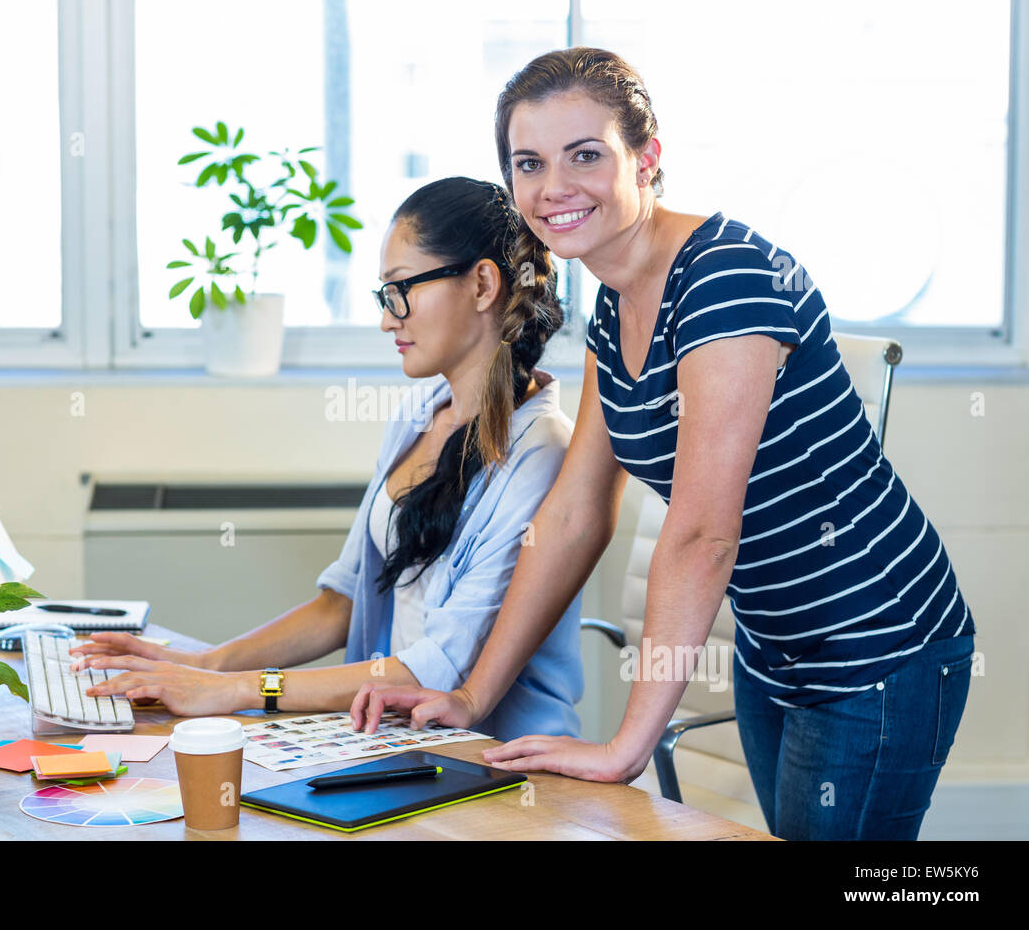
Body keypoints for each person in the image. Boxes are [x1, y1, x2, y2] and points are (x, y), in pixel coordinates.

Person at [350, 48, 976, 840]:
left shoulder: (725, 279)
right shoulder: (613, 307)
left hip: (880, 644)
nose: (553, 188)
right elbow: (576, 512)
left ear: (646, 158)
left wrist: (625, 750)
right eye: (529, 163)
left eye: (586, 155)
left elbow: (704, 532)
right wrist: (473, 697)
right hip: (773, 646)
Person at [70, 175, 583, 741]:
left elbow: (435, 670)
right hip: (393, 738)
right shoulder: (421, 413)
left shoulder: (541, 453)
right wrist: (206, 665)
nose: (388, 318)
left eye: (400, 289)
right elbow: (342, 601)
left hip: (492, 759)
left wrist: (242, 689)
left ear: (483, 284)